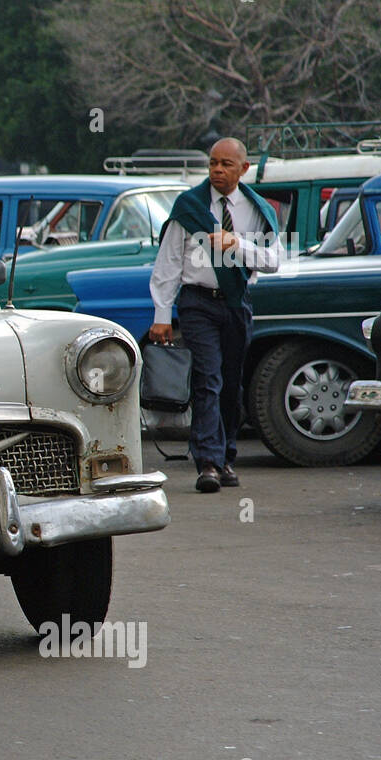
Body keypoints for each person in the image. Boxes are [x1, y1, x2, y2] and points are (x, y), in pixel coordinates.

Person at [148, 137, 284, 493]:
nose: (218, 170)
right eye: (213, 163)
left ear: (244, 168)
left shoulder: (258, 209)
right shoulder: (190, 206)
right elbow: (168, 262)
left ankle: (226, 458)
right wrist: (162, 313)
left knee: (230, 383)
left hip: (237, 303)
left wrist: (237, 244)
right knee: (207, 380)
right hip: (197, 303)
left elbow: (274, 261)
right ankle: (207, 462)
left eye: (226, 164)